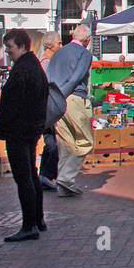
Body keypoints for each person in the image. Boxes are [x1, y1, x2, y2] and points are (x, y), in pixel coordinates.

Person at [0, 29, 48, 242]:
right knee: (31, 174)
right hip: (32, 128)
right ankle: (37, 219)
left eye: (10, 48)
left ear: (23, 46)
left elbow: (11, 105)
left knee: (23, 177)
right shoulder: (35, 67)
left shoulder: (22, 70)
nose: (8, 52)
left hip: (19, 130)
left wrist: (1, 125)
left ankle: (29, 225)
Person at [49, 24, 94, 197]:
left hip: (56, 99)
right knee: (85, 141)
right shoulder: (84, 54)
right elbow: (77, 77)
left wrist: (55, 96)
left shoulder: (58, 52)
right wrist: (65, 92)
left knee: (65, 143)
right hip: (74, 97)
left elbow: (49, 76)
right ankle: (66, 178)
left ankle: (64, 187)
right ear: (87, 40)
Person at [37, 31, 62, 192]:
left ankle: (44, 175)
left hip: (48, 109)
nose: (61, 46)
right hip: (47, 109)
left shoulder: (51, 63)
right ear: (49, 45)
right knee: (53, 143)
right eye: (59, 43)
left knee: (51, 142)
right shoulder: (46, 64)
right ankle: (46, 175)